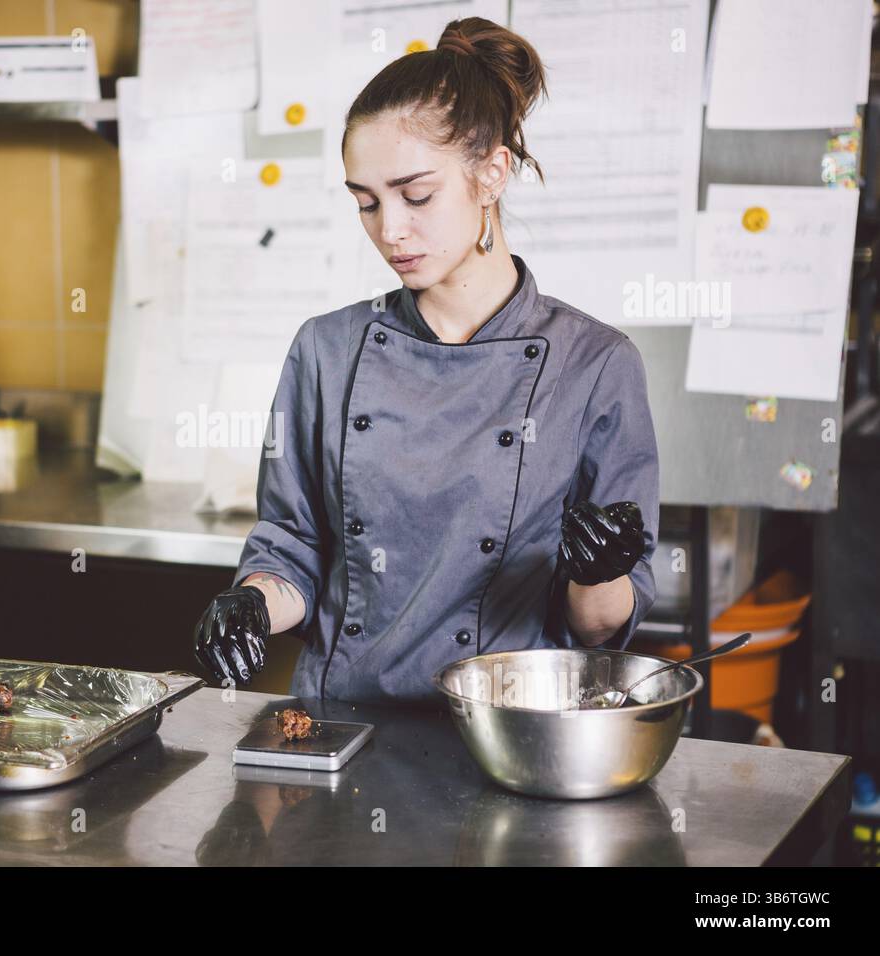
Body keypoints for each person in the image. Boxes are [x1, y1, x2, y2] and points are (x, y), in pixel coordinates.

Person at [193, 16, 659, 704]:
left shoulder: (594, 365)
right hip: (342, 723)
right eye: (366, 204)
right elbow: (291, 544)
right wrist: (255, 603)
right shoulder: (325, 350)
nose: (391, 230)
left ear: (492, 174)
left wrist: (599, 573)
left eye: (416, 195)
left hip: (511, 739)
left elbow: (599, 628)